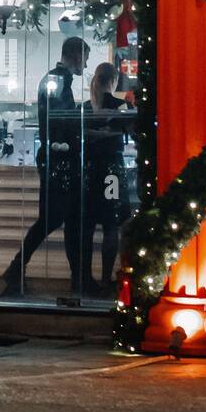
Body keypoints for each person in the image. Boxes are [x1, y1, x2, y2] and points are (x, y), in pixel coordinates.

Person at [0, 35, 94, 298]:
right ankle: (22, 268)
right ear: (76, 56)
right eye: (84, 58)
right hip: (59, 159)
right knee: (55, 218)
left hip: (56, 158)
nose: (85, 65)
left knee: (61, 219)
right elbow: (59, 122)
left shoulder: (56, 80)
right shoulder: (58, 82)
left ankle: (75, 278)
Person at [81, 62, 128, 291]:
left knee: (88, 225)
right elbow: (122, 134)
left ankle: (85, 277)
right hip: (112, 170)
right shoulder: (120, 106)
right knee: (111, 224)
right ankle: (106, 277)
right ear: (114, 79)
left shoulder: (85, 108)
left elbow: (81, 134)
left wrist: (93, 134)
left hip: (90, 169)